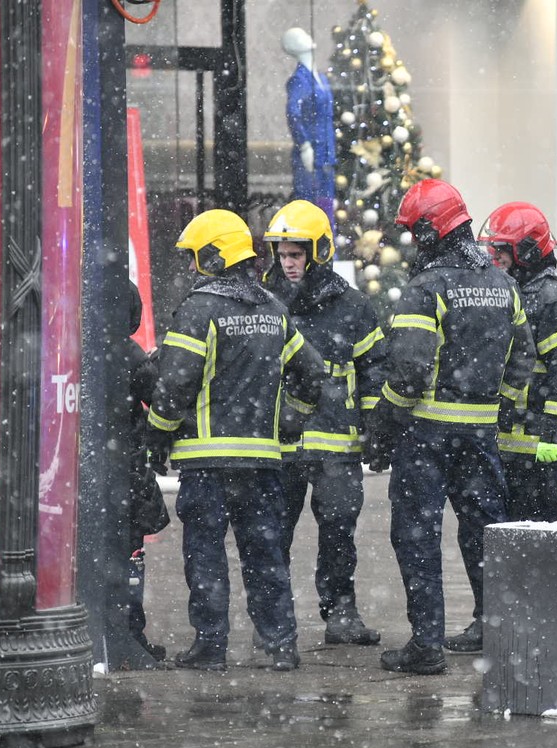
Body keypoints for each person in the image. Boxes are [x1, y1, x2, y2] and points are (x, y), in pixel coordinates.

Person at [366, 179, 535, 674]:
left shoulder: (426, 288)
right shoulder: (503, 283)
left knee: (417, 536)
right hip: (481, 437)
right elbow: (523, 357)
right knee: (484, 533)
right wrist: (498, 406)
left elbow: (410, 373)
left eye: (415, 233)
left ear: (430, 232)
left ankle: (427, 644)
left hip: (426, 436)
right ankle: (494, 630)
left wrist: (384, 423)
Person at [147, 208, 324, 672]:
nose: (190, 268)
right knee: (265, 556)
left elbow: (175, 386)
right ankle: (281, 644)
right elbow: (312, 372)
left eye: (194, 257)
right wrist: (290, 421)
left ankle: (210, 647)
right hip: (263, 463)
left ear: (214, 255)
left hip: (207, 464)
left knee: (206, 557)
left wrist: (157, 436)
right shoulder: (273, 310)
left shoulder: (199, 309)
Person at [262, 199, 386, 647]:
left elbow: (374, 369)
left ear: (317, 252)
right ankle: (273, 622)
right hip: (281, 443)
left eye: (296, 254)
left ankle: (341, 613)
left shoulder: (352, 306)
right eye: (282, 254)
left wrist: (375, 426)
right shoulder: (265, 302)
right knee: (274, 532)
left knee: (338, 534)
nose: (288, 263)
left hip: (336, 442)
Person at [477, 202, 557, 530]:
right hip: (504, 446)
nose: (493, 257)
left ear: (526, 252)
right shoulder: (508, 293)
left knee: (535, 545)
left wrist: (552, 436)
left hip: (536, 450)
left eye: (500, 250)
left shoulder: (556, 302)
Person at [123, 281, 170, 662]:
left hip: (90, 474)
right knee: (131, 557)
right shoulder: (132, 356)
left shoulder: (75, 348)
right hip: (127, 474)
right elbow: (160, 402)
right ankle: (131, 633)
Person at [283, 27, 336, 217]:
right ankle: (312, 245)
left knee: (326, 206)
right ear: (292, 46)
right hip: (312, 153)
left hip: (326, 152)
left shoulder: (320, 78)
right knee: (309, 207)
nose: (307, 38)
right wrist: (304, 145)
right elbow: (293, 113)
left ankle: (327, 245)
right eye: (299, 37)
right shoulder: (299, 80)